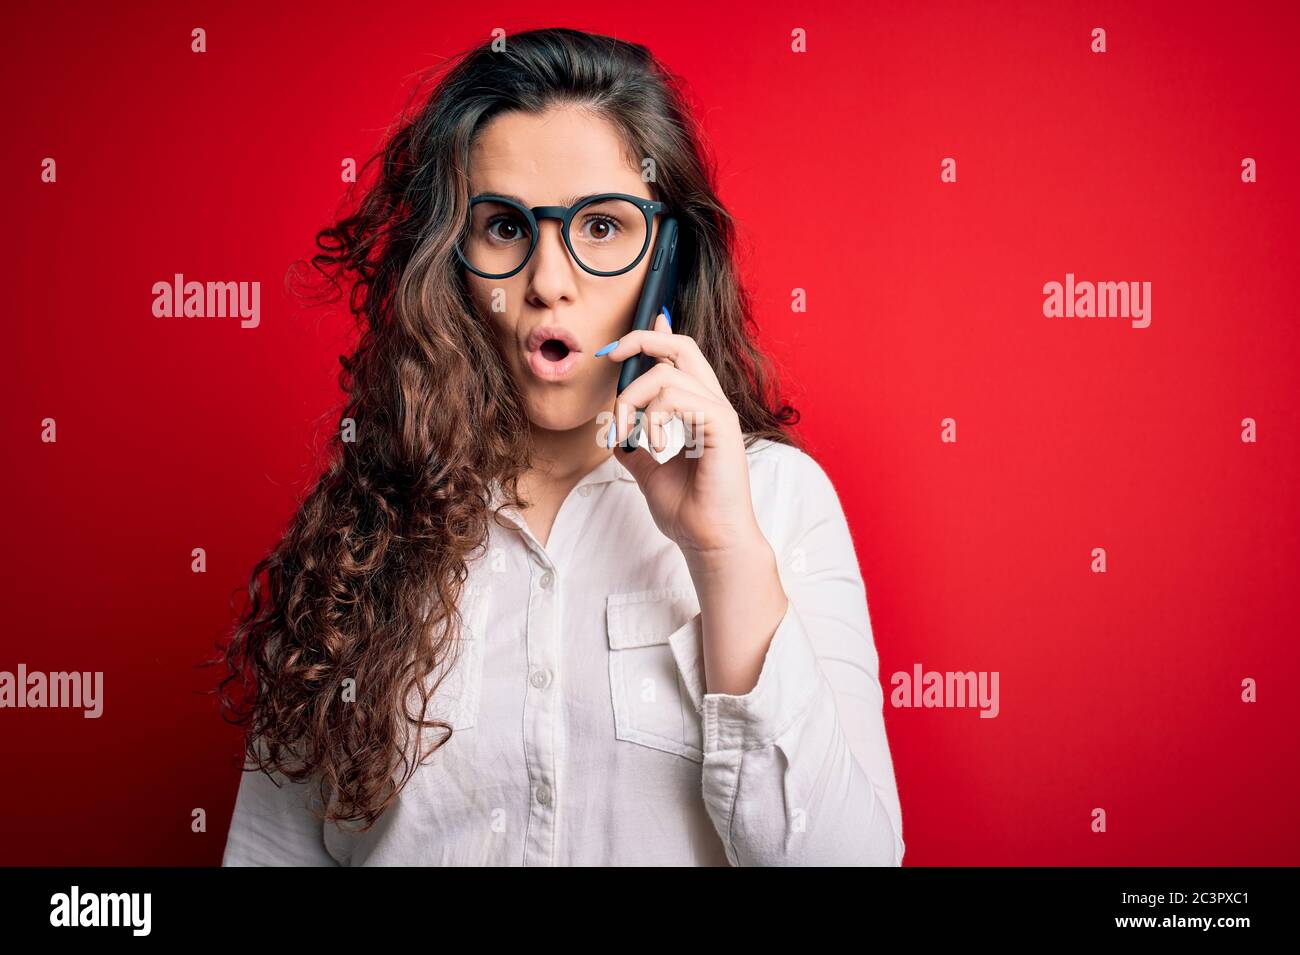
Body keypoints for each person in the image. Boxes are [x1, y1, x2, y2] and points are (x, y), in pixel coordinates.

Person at [216, 26, 904, 866]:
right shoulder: (363, 526)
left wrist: (722, 552)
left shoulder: (780, 504)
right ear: (449, 259)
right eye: (504, 226)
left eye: (604, 227)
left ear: (669, 258)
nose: (548, 280)